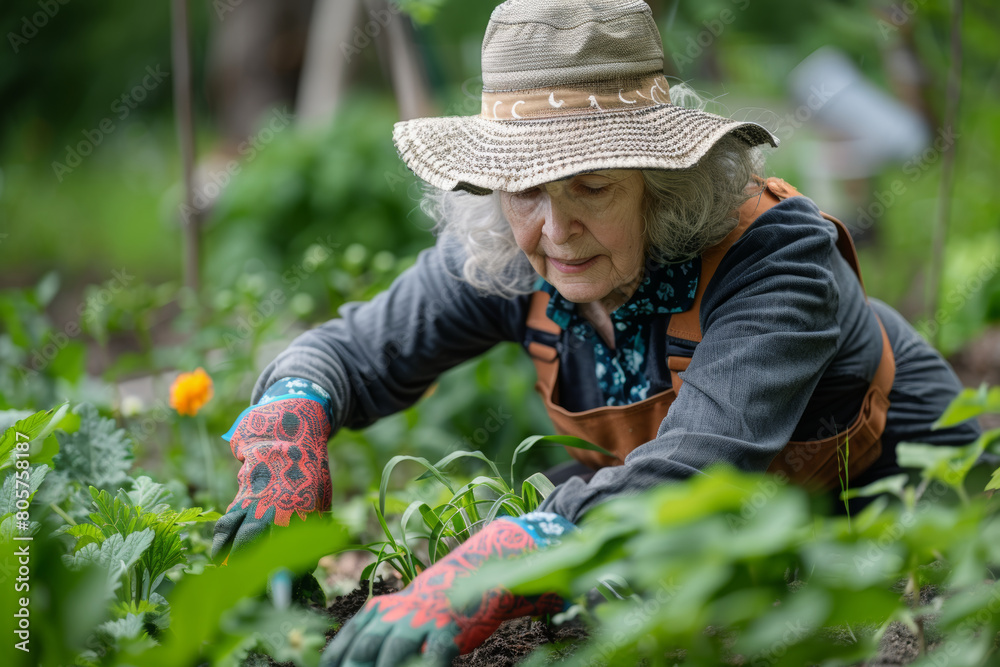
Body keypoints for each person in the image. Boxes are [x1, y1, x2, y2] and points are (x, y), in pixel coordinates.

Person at [211, 1, 981, 663]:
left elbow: (693, 475)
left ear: (662, 180)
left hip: (917, 548)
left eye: (591, 184)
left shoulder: (778, 260)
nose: (556, 230)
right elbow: (349, 350)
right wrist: (294, 415)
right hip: (733, 574)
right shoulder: (508, 249)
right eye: (525, 189)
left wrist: (500, 558)